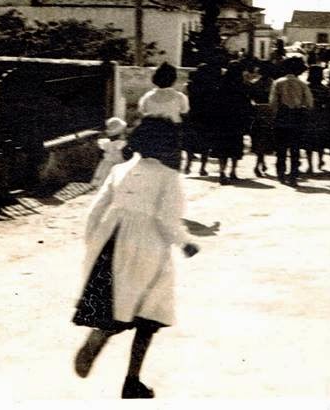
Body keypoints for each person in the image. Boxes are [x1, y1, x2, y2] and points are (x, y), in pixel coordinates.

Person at [72, 117, 199, 399]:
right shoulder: (168, 177)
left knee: (117, 304)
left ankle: (100, 334)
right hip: (149, 248)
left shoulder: (118, 170)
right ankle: (132, 380)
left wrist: (93, 244)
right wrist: (186, 242)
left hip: (111, 241)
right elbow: (167, 219)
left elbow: (95, 210)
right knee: (148, 315)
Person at [268, 56, 314, 185]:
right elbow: (310, 103)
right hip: (297, 117)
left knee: (281, 148)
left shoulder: (278, 82)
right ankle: (293, 175)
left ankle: (281, 174)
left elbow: (273, 103)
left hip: (282, 117)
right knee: (295, 149)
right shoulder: (302, 84)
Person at [211, 61, 254, 184]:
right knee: (235, 145)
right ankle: (233, 172)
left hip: (222, 119)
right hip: (236, 119)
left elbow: (215, 102)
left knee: (222, 147)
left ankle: (222, 172)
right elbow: (247, 103)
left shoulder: (220, 84)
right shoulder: (242, 85)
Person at [183, 62, 221, 176]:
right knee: (205, 144)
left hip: (192, 115)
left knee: (190, 142)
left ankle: (188, 165)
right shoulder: (213, 86)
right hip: (207, 116)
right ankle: (202, 168)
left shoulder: (188, 85)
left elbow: (185, 98)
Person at [244, 60, 275, 178]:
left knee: (258, 138)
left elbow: (250, 97)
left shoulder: (255, 83)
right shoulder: (273, 84)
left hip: (257, 111)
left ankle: (260, 163)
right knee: (266, 138)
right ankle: (260, 163)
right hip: (270, 112)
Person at [304, 65, 330, 174]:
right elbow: (329, 104)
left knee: (308, 142)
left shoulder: (306, 87)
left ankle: (310, 165)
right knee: (320, 141)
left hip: (308, 116)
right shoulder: (324, 89)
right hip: (321, 117)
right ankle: (320, 161)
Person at [91, 117, 128, 188]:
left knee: (105, 182)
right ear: (120, 133)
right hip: (118, 164)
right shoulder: (120, 143)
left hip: (106, 164)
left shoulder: (106, 143)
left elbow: (102, 152)